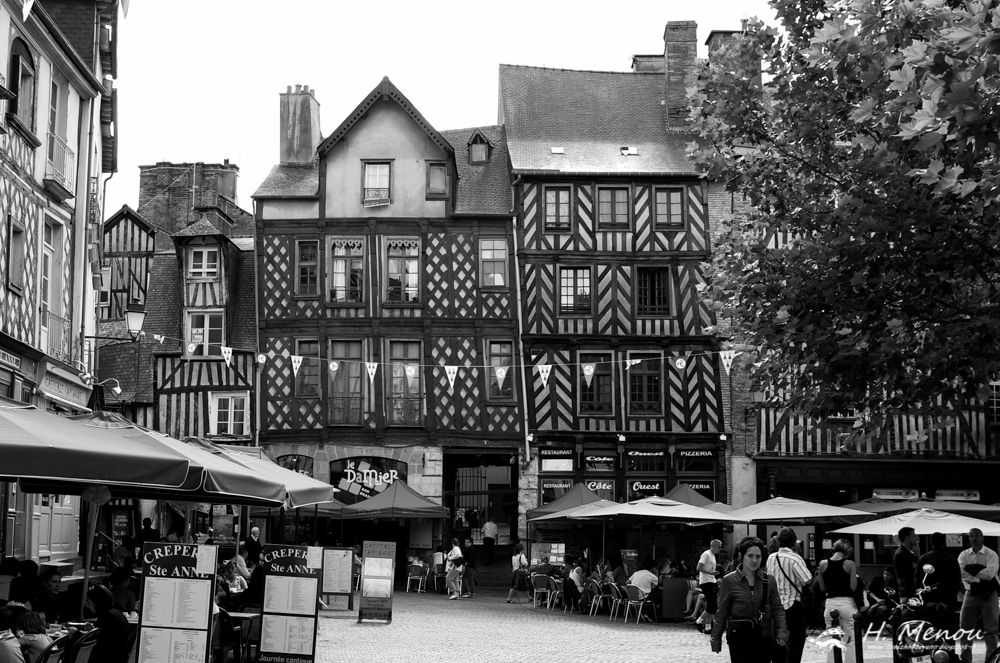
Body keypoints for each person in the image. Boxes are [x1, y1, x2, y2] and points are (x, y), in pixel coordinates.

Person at [711, 535, 788, 662]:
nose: (754, 560)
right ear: (742, 556)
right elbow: (722, 612)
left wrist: (781, 632)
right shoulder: (729, 580)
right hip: (739, 637)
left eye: (758, 556)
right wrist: (716, 638)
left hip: (764, 636)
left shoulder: (769, 580)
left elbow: (778, 609)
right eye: (750, 556)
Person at [766, 527, 811, 663]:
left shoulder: (771, 558)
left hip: (776, 606)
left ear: (778, 542)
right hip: (793, 605)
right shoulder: (795, 558)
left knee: (779, 641)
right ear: (793, 542)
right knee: (795, 643)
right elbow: (808, 580)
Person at [958, 527, 999, 662]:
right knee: (964, 629)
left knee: (991, 629)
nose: (974, 538)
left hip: (989, 595)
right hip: (970, 594)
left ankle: (991, 659)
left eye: (976, 535)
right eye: (971, 536)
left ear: (982, 537)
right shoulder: (964, 555)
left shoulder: (991, 554)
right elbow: (961, 573)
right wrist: (977, 579)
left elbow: (990, 574)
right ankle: (965, 658)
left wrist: (972, 570)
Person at [818, 539, 859, 663]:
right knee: (850, 640)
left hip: (830, 604)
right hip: (847, 604)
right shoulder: (850, 564)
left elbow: (822, 588)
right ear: (847, 551)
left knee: (831, 640)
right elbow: (853, 587)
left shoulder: (823, 564)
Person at [915, 531, 961, 626]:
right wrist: (949, 599)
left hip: (929, 601)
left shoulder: (923, 559)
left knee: (929, 631)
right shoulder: (952, 560)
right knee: (948, 632)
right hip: (948, 601)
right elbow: (956, 582)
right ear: (944, 542)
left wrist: (925, 599)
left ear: (930, 543)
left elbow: (917, 581)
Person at [87, 585, 131, 663]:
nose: (87, 605)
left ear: (97, 603)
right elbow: (107, 636)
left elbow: (96, 643)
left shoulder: (107, 616)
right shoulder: (116, 613)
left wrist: (76, 633)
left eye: (89, 602)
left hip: (109, 658)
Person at [861, 567, 897, 633]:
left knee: (883, 610)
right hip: (873, 600)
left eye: (888, 575)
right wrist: (877, 600)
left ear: (892, 576)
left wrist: (877, 604)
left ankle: (874, 628)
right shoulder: (877, 580)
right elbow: (870, 591)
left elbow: (891, 598)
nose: (885, 576)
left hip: (884, 603)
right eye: (885, 574)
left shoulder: (893, 584)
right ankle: (868, 627)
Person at [698, 539, 723, 635]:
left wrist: (713, 574)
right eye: (719, 547)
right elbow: (699, 567)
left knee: (711, 604)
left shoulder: (712, 556)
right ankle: (699, 621)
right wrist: (711, 573)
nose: (720, 549)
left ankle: (708, 627)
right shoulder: (706, 554)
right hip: (706, 581)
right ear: (714, 545)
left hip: (712, 580)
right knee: (712, 605)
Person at [893, 526, 919, 601]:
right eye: (914, 536)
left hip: (911, 591)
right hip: (907, 592)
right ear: (907, 538)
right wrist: (918, 555)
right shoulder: (901, 554)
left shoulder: (909, 552)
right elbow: (911, 573)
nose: (916, 538)